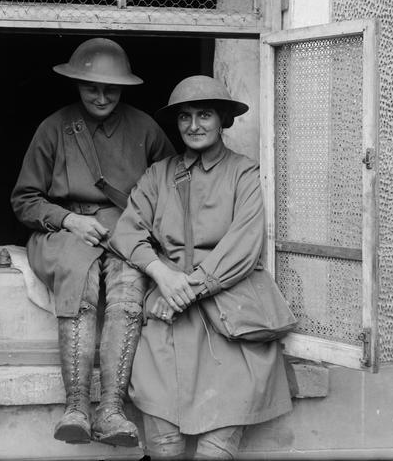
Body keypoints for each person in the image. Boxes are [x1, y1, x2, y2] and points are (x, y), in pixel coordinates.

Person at [111, 75, 293, 459]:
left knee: (215, 453)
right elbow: (126, 233)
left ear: (224, 119)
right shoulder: (159, 175)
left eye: (205, 115)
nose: (194, 126)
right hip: (169, 318)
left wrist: (187, 290)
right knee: (164, 447)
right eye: (185, 117)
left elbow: (244, 246)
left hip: (231, 315)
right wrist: (161, 274)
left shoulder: (244, 173)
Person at [11, 38, 175, 447]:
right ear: (77, 85)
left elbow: (171, 189)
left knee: (128, 282)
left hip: (125, 229)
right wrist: (68, 219)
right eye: (91, 88)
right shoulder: (54, 128)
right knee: (77, 278)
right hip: (65, 230)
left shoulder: (146, 129)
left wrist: (142, 229)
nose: (101, 97)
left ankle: (112, 410)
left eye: (111, 89)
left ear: (124, 88)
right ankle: (77, 406)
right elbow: (24, 200)